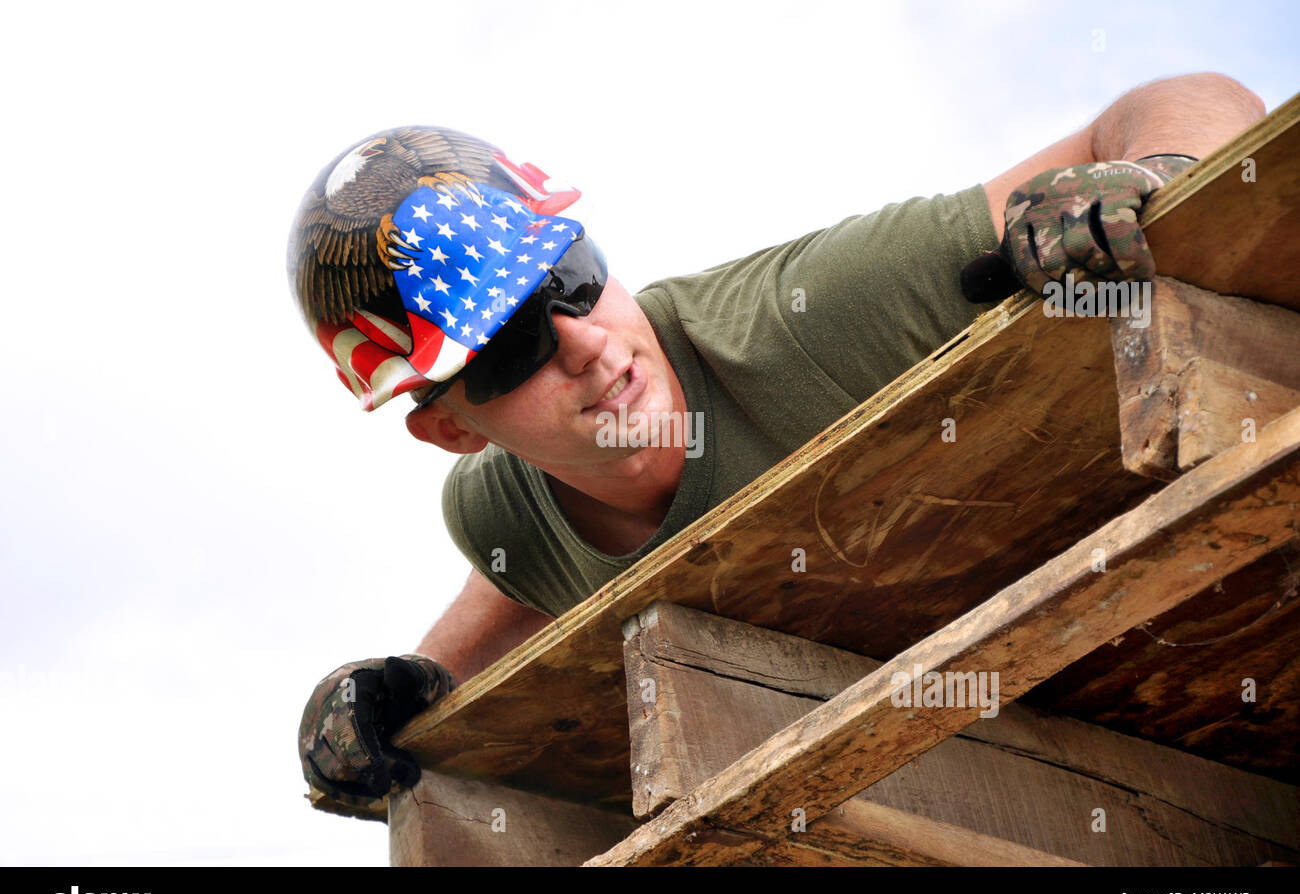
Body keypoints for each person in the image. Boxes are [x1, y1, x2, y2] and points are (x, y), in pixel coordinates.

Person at [288, 72, 1266, 819]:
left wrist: (1156, 180)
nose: (589, 344)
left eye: (570, 277)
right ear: (453, 427)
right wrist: (407, 689)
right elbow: (522, 564)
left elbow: (1188, 96)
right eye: (511, 349)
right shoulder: (498, 505)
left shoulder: (812, 318)